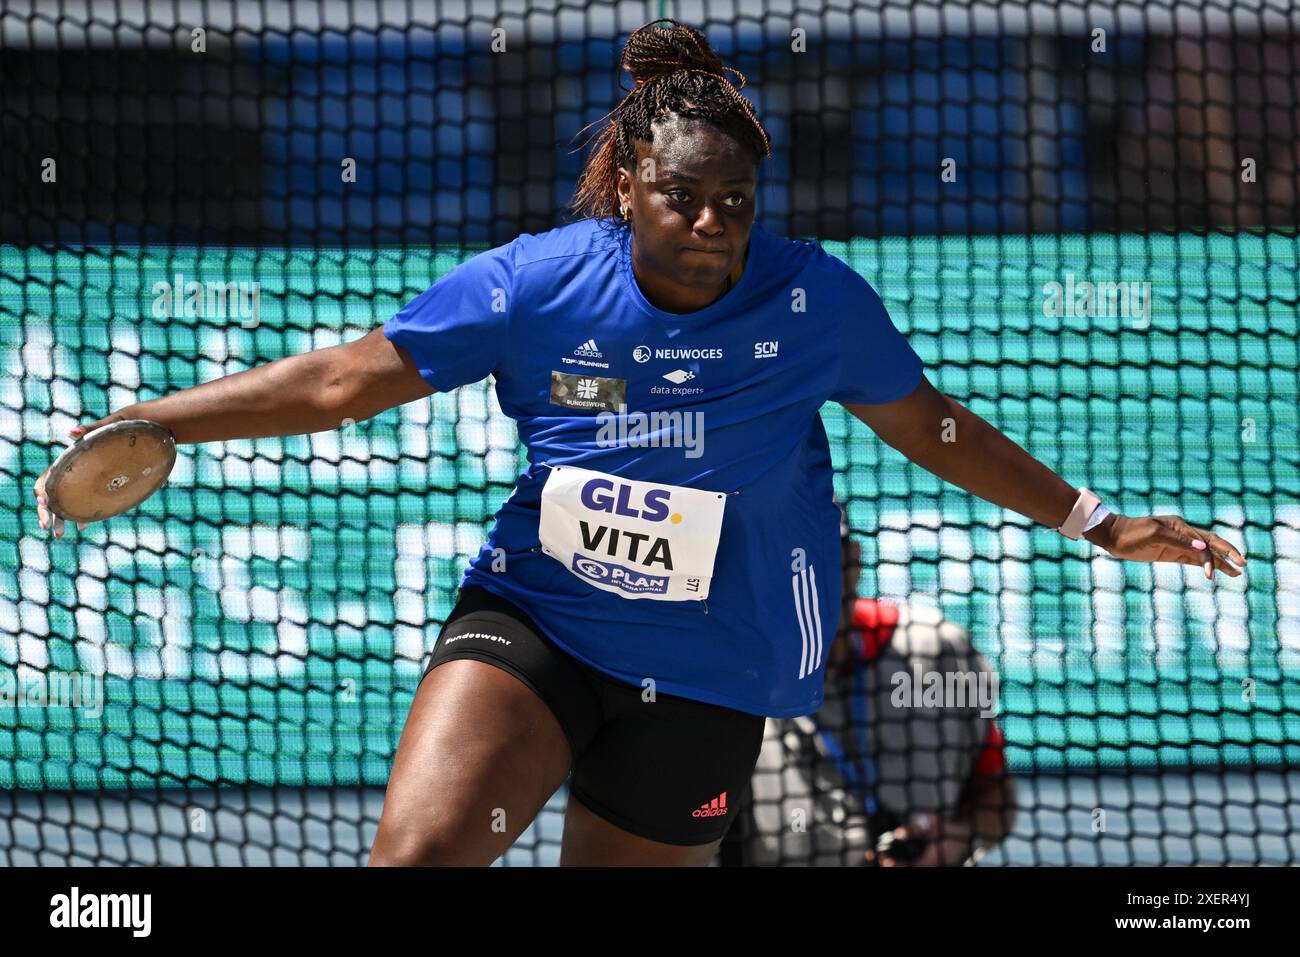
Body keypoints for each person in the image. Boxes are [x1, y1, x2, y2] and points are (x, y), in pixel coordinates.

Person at [33, 18, 1246, 867]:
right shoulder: (537, 286)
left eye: (736, 201)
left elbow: (933, 427)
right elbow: (344, 379)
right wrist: (153, 421)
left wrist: (1092, 521)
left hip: (723, 659)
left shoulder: (815, 299)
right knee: (420, 852)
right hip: (542, 613)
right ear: (628, 190)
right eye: (684, 197)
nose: (713, 223)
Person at [740, 512, 1016, 866]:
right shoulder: (728, 680)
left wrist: (959, 836)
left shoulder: (937, 649)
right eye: (784, 561)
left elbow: (995, 794)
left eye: (818, 557)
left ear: (853, 560)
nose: (804, 580)